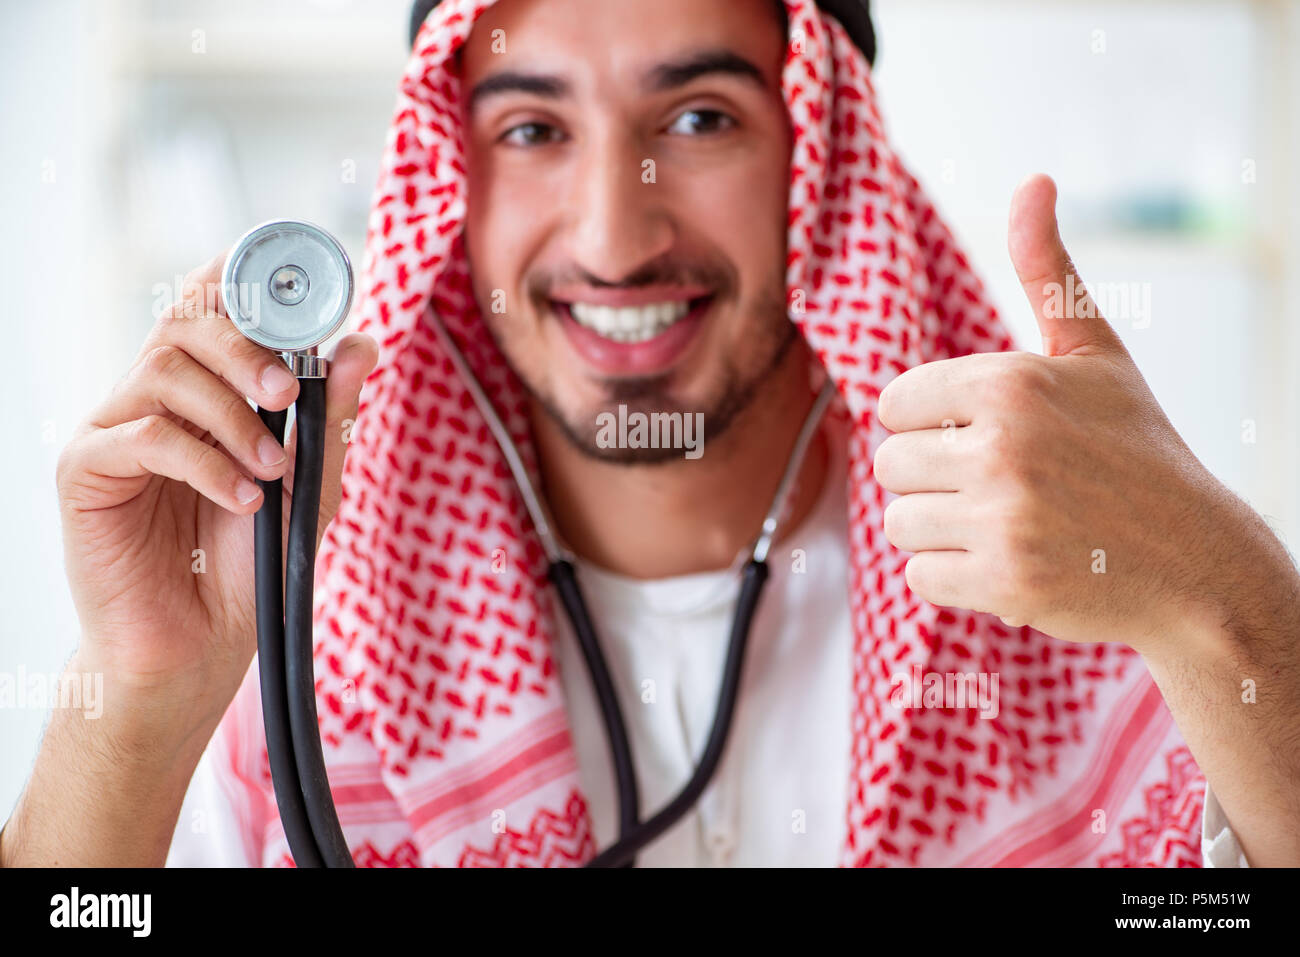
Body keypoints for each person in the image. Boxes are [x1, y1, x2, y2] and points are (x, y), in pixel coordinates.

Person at [3, 0, 1298, 868]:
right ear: (449, 172)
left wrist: (1232, 598)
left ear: (825, 157)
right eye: (531, 128)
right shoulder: (287, 642)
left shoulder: (1101, 598)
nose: (617, 240)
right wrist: (134, 706)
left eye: (698, 120)